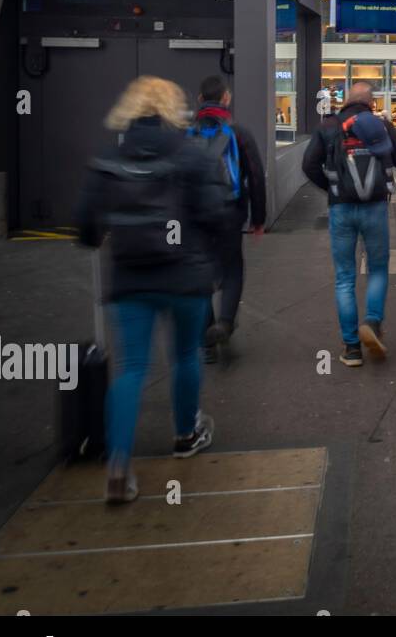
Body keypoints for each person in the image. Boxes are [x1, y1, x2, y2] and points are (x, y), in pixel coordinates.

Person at [76, 76, 222, 504]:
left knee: (132, 368)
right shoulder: (190, 154)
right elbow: (215, 212)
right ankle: (185, 434)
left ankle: (120, 464)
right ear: (171, 109)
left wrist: (98, 236)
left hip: (131, 277)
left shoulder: (108, 157)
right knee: (184, 356)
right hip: (185, 275)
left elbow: (85, 223)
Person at [302, 80, 396, 367]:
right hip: (374, 207)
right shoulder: (381, 126)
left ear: (346, 100)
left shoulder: (328, 127)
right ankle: (372, 323)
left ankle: (351, 348)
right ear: (371, 103)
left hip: (341, 209)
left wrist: (333, 187)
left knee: (345, 277)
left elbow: (308, 166)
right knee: (376, 269)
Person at [188, 75, 267, 362]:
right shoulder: (239, 133)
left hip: (195, 216)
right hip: (229, 213)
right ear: (225, 99)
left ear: (199, 100)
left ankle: (206, 342)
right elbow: (256, 176)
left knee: (200, 275)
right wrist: (259, 219)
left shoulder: (188, 133)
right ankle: (224, 322)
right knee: (232, 268)